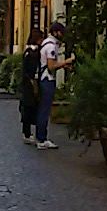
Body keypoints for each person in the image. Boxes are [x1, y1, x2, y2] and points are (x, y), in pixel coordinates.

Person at [35, 21, 74, 149]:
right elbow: (51, 66)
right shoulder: (51, 47)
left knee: (44, 109)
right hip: (47, 79)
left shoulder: (46, 43)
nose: (62, 35)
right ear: (56, 32)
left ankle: (41, 137)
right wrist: (65, 62)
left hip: (44, 78)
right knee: (45, 110)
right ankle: (41, 139)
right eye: (61, 32)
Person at [20, 28, 43, 144]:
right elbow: (31, 71)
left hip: (27, 83)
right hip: (30, 83)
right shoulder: (32, 53)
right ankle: (27, 133)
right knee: (29, 107)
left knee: (28, 107)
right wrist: (34, 83)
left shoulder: (28, 52)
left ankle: (27, 132)